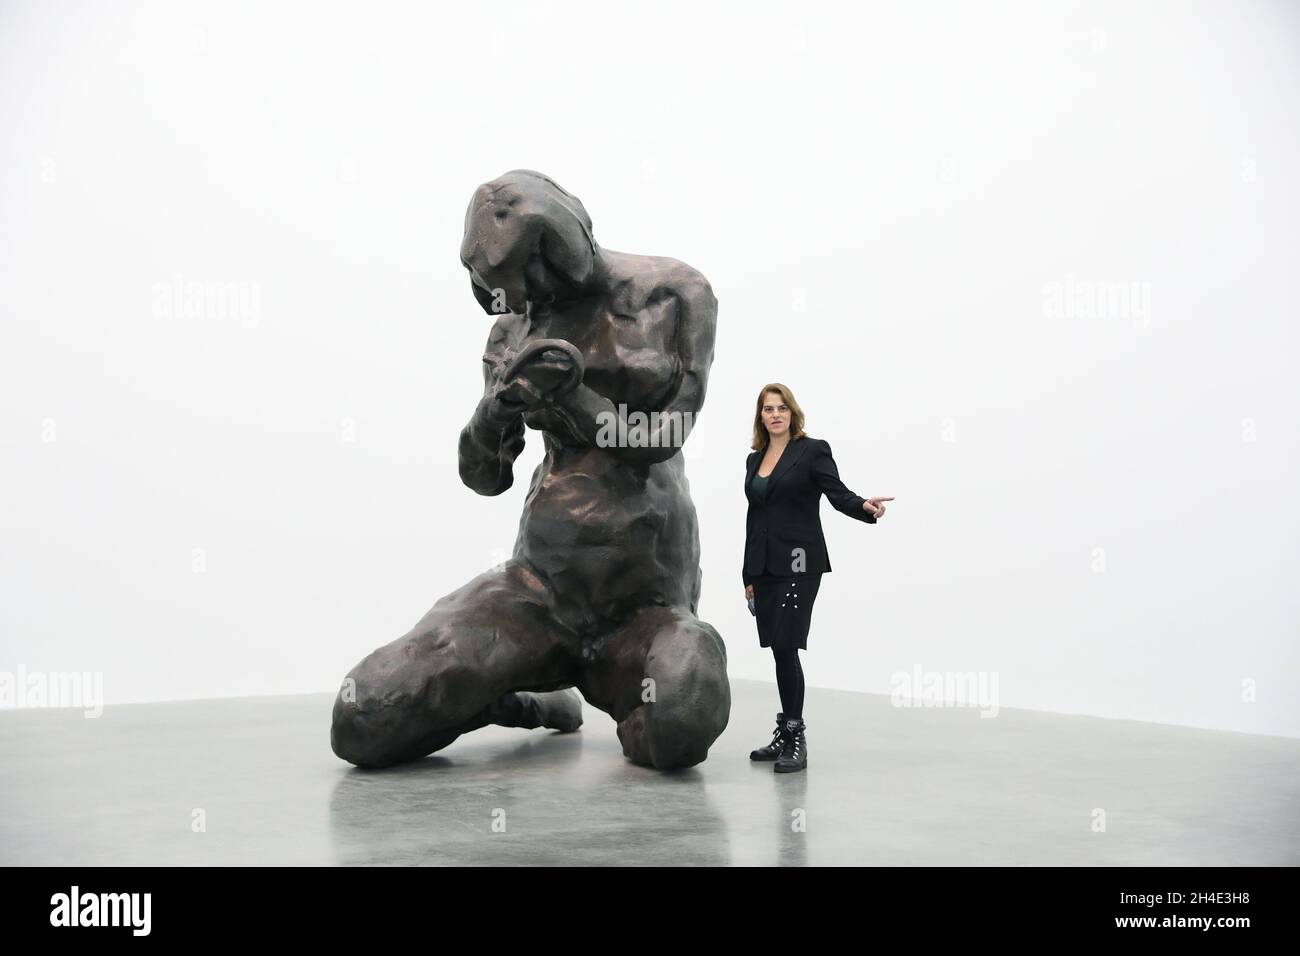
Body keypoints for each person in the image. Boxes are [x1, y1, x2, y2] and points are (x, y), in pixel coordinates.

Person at [742, 383, 893, 773]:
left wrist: (864, 506)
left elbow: (836, 492)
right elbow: (754, 519)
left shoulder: (812, 451)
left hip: (799, 563)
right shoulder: (754, 459)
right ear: (761, 416)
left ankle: (796, 736)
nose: (775, 414)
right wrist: (748, 574)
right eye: (768, 409)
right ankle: (785, 733)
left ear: (793, 413)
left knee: (788, 644)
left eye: (782, 408)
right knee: (777, 648)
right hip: (764, 566)